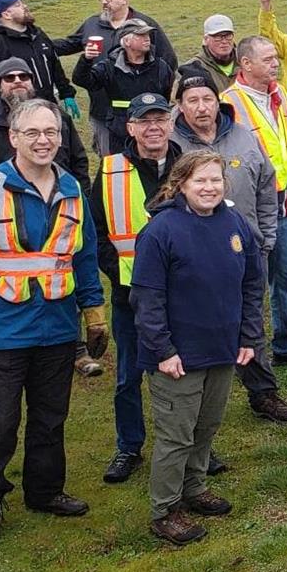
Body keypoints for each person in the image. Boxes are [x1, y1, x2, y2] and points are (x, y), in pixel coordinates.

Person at [0, 97, 107, 546]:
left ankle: (45, 491)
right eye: (33, 133)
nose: (43, 141)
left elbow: (84, 256)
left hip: (57, 328)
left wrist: (94, 315)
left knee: (50, 417)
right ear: (13, 137)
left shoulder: (74, 189)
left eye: (51, 132)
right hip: (4, 331)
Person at [131, 153, 264, 547]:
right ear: (180, 185)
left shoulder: (235, 223)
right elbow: (147, 299)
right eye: (200, 181)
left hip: (222, 350)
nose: (209, 188)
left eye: (215, 180)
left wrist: (249, 336)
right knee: (177, 435)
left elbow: (253, 284)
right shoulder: (161, 231)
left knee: (206, 427)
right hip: (177, 357)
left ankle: (195, 487)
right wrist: (163, 350)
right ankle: (165, 510)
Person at [171, 74, 287, 426]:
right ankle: (196, 406)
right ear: (180, 106)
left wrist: (265, 236)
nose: (201, 107)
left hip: (244, 250)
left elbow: (266, 184)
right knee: (196, 324)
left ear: (218, 101)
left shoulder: (243, 136)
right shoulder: (170, 144)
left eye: (207, 99)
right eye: (192, 100)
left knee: (250, 321)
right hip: (191, 258)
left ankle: (263, 393)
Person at [88, 93, 181, 484]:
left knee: (185, 372)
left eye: (160, 118)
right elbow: (98, 233)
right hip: (130, 296)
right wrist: (120, 275)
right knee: (128, 374)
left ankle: (187, 442)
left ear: (171, 123)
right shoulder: (109, 171)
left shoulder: (188, 167)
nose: (153, 127)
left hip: (182, 296)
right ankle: (129, 446)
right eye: (145, 121)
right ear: (131, 128)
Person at [221, 36, 287, 368]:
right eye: (267, 59)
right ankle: (240, 351)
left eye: (275, 57)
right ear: (246, 64)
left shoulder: (283, 98)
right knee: (245, 283)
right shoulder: (229, 103)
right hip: (247, 209)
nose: (275, 63)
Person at [54, 0, 176, 142]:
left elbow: (168, 60)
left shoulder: (145, 24)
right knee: (112, 158)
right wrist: (40, 44)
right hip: (102, 110)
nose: (104, 2)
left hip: (145, 111)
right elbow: (69, 45)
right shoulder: (92, 23)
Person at [0, 57, 92, 189]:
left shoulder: (57, 117)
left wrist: (82, 196)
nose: (17, 81)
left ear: (32, 82)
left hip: (59, 199)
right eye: (9, 78)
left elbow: (78, 162)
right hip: (8, 202)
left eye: (23, 76)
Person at [83, 19, 177, 155]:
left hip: (153, 131)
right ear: (126, 41)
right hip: (119, 132)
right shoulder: (110, 66)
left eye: (148, 35)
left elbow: (167, 94)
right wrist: (86, 60)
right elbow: (84, 80)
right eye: (141, 36)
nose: (147, 39)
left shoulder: (161, 66)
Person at [0, 0, 75, 111]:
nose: (25, 6)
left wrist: (67, 93)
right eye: (18, 5)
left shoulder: (38, 35)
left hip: (48, 108)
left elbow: (54, 65)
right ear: (6, 14)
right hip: (18, 113)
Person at [180, 14, 239, 92]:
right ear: (206, 39)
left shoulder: (247, 61)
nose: (224, 41)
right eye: (218, 37)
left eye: (228, 36)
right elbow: (177, 102)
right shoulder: (192, 68)